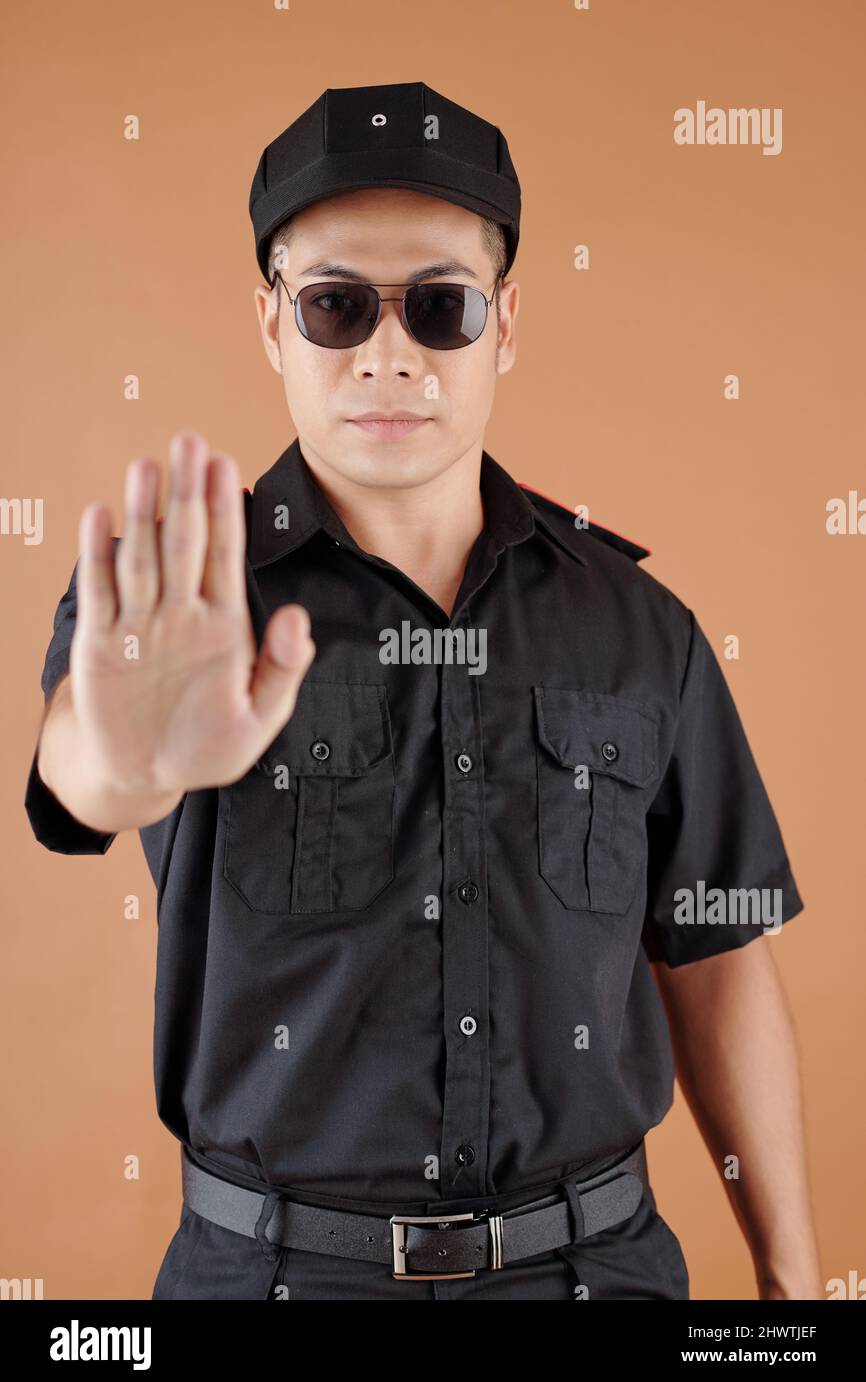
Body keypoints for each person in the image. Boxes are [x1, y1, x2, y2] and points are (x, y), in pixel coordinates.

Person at [25, 81, 821, 1300]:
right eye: (337, 306)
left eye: (438, 307)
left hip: (595, 1277)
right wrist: (113, 768)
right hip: (272, 1280)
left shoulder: (636, 625)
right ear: (271, 322)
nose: (387, 354)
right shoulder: (172, 602)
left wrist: (790, 1282)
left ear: (503, 323)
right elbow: (72, 769)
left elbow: (713, 956)